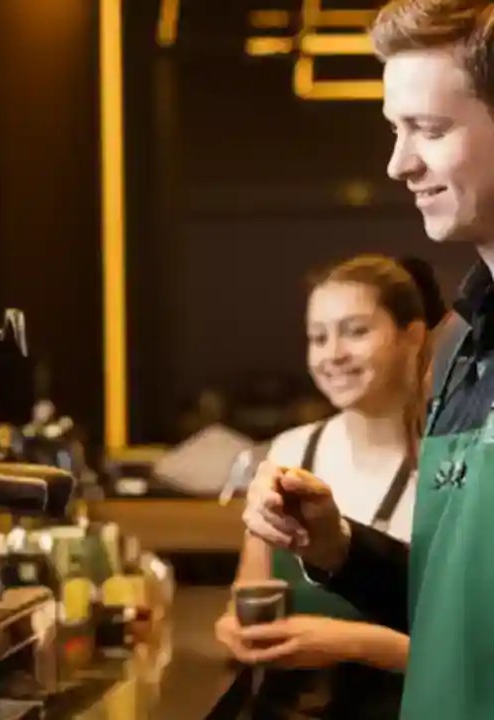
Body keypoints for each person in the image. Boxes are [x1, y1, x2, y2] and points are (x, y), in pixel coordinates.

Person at [241, 2, 494, 717]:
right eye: (395, 130)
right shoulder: (462, 347)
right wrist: (341, 548)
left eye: (430, 129)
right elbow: (456, 614)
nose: (398, 163)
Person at [217, 255, 436, 719]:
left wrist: (350, 644)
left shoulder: (448, 465)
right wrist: (237, 629)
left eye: (355, 332)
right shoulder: (289, 452)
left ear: (413, 337)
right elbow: (251, 590)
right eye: (319, 337)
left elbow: (469, 661)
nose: (333, 353)